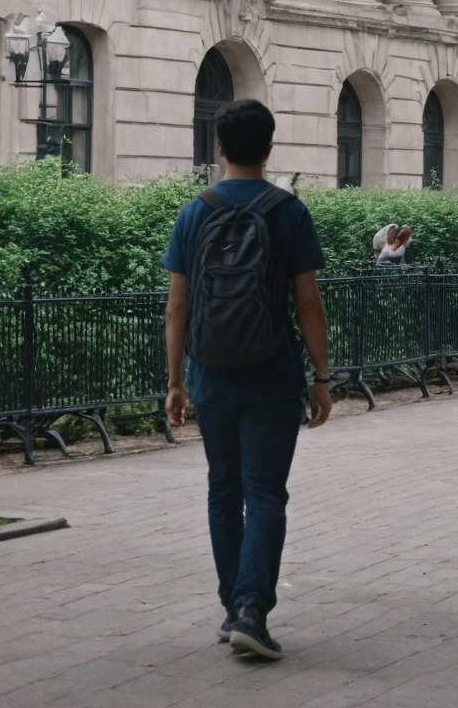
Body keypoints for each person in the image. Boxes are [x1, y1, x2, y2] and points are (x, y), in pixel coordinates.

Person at [161, 99, 333, 662]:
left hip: (211, 375)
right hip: (273, 375)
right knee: (264, 494)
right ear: (269, 146)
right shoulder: (288, 212)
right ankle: (252, 610)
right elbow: (308, 302)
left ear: (218, 148)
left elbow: (177, 308)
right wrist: (322, 376)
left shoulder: (194, 212)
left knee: (223, 490)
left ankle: (232, 604)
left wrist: (175, 382)